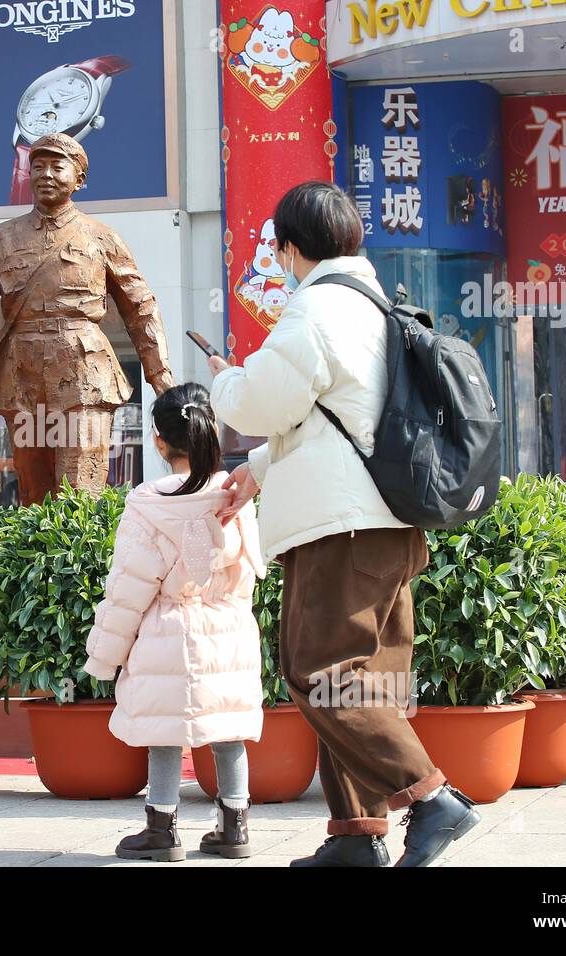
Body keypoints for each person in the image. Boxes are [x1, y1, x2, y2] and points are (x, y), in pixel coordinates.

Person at [210, 180, 479, 867]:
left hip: (340, 528)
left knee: (320, 670)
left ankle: (432, 798)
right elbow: (338, 416)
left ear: (292, 247)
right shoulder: (378, 307)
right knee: (371, 677)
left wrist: (223, 379)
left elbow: (260, 404)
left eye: (279, 249)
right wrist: (263, 469)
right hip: (388, 519)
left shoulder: (314, 311)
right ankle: (356, 838)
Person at [0, 132, 174, 505]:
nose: (46, 174)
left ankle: (84, 562)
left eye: (57, 166)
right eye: (37, 166)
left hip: (84, 368)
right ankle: (39, 563)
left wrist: (160, 375)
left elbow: (140, 306)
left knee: (80, 490)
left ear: (79, 178)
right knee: (33, 491)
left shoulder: (101, 237)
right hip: (24, 373)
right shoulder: (3, 238)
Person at [83, 383, 266, 862]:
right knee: (228, 730)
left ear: (160, 443)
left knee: (163, 732)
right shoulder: (235, 493)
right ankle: (235, 827)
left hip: (168, 630)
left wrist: (105, 657)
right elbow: (249, 573)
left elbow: (129, 589)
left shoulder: (148, 503)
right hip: (229, 626)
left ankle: (162, 829)